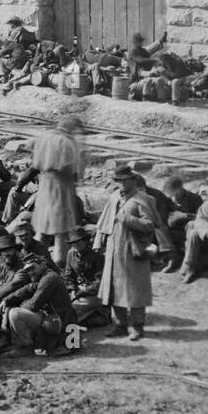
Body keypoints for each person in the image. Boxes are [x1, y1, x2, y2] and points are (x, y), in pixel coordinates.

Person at [94, 162, 172, 339]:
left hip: (133, 250)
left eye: (124, 180)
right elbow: (104, 223)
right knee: (114, 289)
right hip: (114, 251)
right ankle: (120, 325)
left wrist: (127, 219)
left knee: (135, 289)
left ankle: (137, 327)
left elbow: (151, 225)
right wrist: (98, 243)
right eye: (117, 180)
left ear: (132, 180)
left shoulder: (142, 199)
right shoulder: (114, 197)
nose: (120, 184)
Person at [30, 116, 84, 268]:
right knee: (60, 232)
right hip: (61, 189)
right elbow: (70, 169)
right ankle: (59, 266)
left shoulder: (44, 138)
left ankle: (33, 262)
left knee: (42, 231)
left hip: (44, 188)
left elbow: (35, 163)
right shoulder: (66, 142)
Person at [4, 249, 79, 356]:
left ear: (42, 265)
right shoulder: (44, 276)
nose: (30, 272)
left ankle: (24, 347)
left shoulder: (49, 278)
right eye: (28, 270)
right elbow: (28, 288)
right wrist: (8, 299)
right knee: (19, 307)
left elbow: (34, 305)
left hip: (60, 320)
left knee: (15, 313)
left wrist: (20, 305)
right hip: (57, 317)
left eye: (32, 268)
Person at [62, 228, 109, 327]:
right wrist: (72, 289)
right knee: (60, 305)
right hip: (78, 291)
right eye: (73, 243)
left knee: (73, 309)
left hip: (94, 294)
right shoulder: (71, 254)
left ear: (85, 241)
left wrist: (82, 291)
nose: (75, 245)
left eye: (78, 241)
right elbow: (68, 275)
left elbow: (99, 283)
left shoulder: (97, 257)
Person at [159, 176, 203, 273]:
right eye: (170, 194)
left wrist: (185, 215)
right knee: (161, 229)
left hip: (189, 231)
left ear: (180, 189)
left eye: (174, 193)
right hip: (173, 230)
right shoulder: (169, 200)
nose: (172, 197)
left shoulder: (195, 198)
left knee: (191, 228)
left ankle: (188, 264)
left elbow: (202, 218)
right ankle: (173, 259)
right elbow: (164, 215)